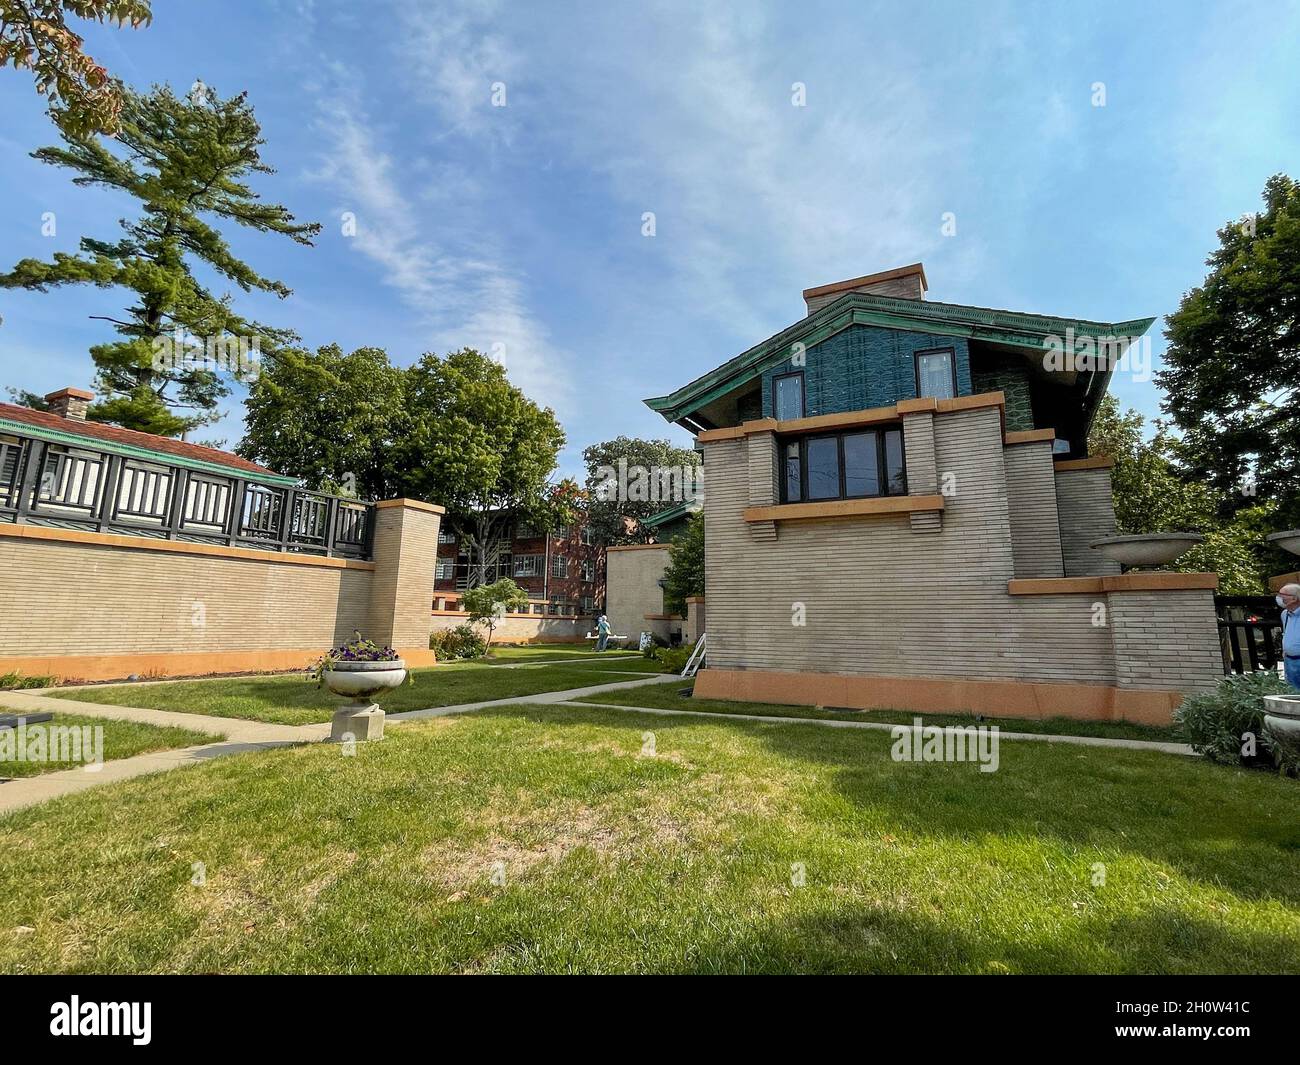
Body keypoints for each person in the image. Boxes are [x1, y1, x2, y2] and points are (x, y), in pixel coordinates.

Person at [1280, 584, 1300, 690]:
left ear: (1294, 598)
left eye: (1283, 594)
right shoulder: (1285, 614)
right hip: (1289, 661)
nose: (1279, 597)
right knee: (1292, 692)